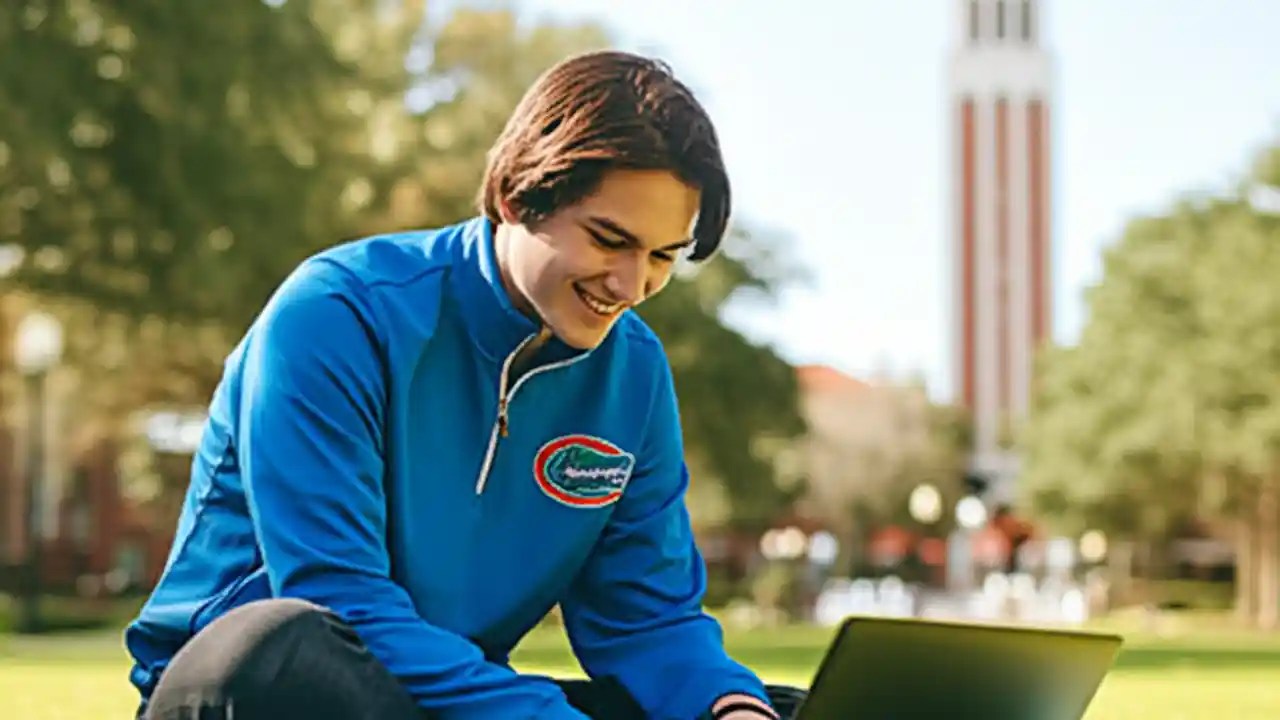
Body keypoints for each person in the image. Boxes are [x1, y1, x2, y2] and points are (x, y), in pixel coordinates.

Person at [123, 50, 807, 720]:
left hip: (454, 697)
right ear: (515, 197)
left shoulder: (635, 373)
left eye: (661, 256)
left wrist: (731, 707)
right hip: (274, 688)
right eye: (608, 239)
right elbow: (343, 600)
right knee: (274, 649)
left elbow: (648, 620)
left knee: (791, 710)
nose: (631, 286)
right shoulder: (336, 313)